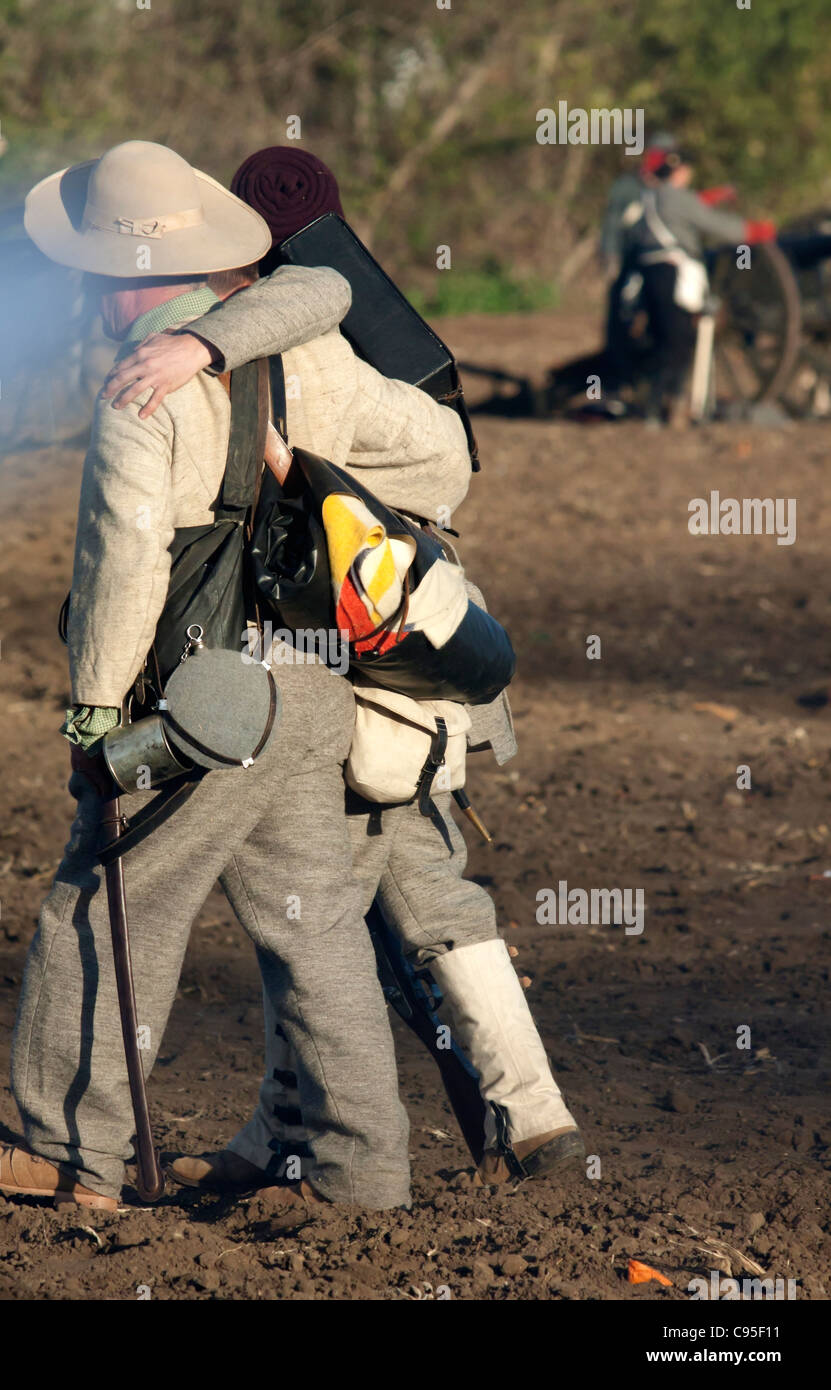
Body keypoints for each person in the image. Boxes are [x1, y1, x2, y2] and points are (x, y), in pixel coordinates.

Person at [0, 140, 473, 1214]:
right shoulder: (309, 349)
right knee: (319, 928)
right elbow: (443, 458)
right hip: (318, 685)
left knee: (100, 907)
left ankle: (71, 1158)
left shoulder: (140, 382)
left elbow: (128, 558)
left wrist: (96, 716)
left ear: (109, 278)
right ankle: (361, 1170)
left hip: (205, 707)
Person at [100, 147, 582, 1191]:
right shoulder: (314, 324)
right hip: (368, 657)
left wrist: (309, 474)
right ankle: (316, 1136)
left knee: (368, 901)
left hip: (366, 673)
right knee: (323, 904)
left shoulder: (300, 335)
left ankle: (528, 1126)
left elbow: (443, 462)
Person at [620, 149, 775, 424]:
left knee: (663, 341)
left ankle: (657, 406)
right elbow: (713, 223)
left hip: (651, 276)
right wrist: (755, 231)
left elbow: (689, 207)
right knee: (678, 342)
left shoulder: (651, 198)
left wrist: (714, 196)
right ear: (679, 172)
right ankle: (668, 405)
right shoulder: (676, 198)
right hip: (673, 274)